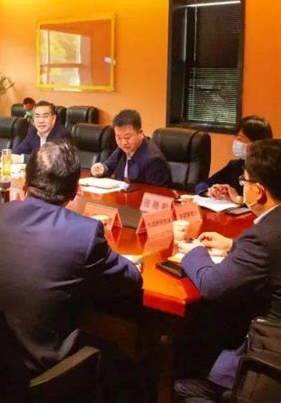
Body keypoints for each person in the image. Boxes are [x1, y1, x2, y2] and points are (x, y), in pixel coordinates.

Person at [0, 140, 142, 374]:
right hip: (38, 373)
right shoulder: (83, 233)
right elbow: (131, 280)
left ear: (25, 183)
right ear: (75, 191)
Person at [175, 139, 281, 402]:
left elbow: (212, 284)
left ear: (259, 192)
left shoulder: (263, 236)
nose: (242, 185)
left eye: (244, 181)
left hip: (268, 349)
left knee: (183, 378)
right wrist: (233, 245)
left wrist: (194, 250)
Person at [195, 115, 272, 204]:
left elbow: (270, 204)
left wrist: (239, 199)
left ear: (256, 143)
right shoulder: (236, 165)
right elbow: (201, 185)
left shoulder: (270, 169)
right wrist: (210, 191)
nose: (236, 142)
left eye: (240, 139)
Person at [91, 109, 171, 186]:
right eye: (118, 137)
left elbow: (156, 192)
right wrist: (101, 169)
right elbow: (108, 165)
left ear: (140, 133)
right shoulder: (122, 149)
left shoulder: (154, 160)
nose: (123, 142)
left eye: (127, 137)